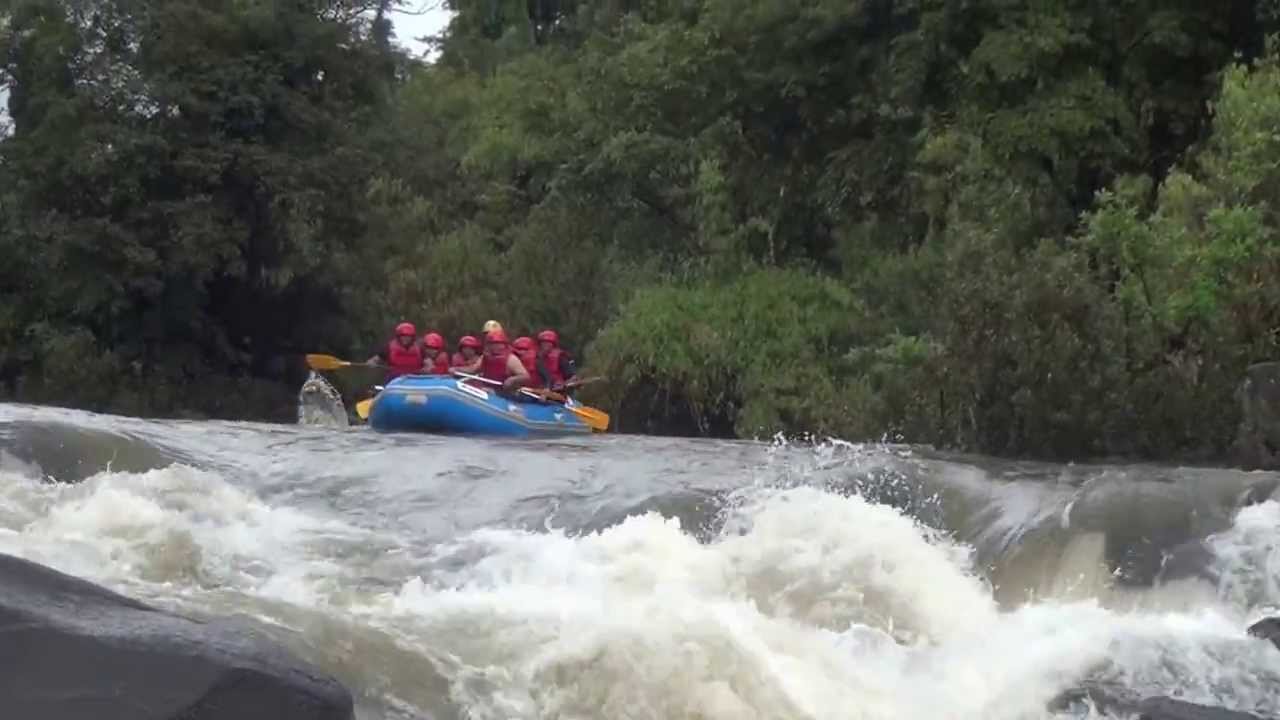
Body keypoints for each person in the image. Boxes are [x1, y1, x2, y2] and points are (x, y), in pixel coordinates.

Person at [458, 329, 529, 392]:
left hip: (505, 393)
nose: (495, 346)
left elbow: (525, 376)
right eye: (492, 344)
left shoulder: (511, 359)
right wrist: (456, 369)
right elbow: (473, 370)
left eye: (498, 343)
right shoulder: (485, 357)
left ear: (504, 344)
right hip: (487, 389)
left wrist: (512, 379)